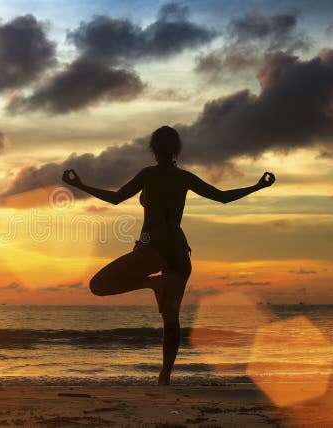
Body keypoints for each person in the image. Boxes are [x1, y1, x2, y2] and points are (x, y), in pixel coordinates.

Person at [61, 126, 275, 386]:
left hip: (152, 248)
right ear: (177, 149)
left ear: (153, 148)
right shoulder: (184, 178)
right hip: (180, 254)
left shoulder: (149, 175)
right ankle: (165, 376)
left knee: (98, 285)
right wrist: (257, 186)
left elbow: (116, 198)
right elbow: (222, 198)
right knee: (171, 318)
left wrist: (80, 185)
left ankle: (152, 283)